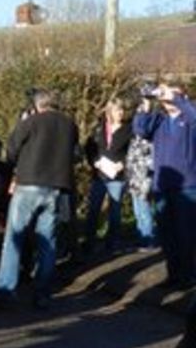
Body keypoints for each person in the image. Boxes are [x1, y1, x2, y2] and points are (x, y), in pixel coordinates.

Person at [0, 89, 79, 310]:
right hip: (56, 186)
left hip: (29, 184)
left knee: (14, 238)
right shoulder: (70, 125)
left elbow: (11, 150)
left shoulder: (32, 122)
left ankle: (6, 290)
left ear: (38, 105)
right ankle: (43, 293)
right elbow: (76, 154)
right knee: (48, 242)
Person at [133, 83, 196, 288]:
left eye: (173, 93)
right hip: (162, 186)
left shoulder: (188, 119)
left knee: (186, 234)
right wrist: (146, 105)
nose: (166, 97)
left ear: (183, 96)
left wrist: (176, 98)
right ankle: (174, 275)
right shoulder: (159, 121)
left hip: (186, 187)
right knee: (167, 235)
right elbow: (140, 130)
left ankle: (188, 276)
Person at [83, 98, 131, 256]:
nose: (121, 113)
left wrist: (123, 163)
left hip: (116, 176)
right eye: (118, 110)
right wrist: (94, 162)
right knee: (93, 209)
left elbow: (132, 152)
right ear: (110, 111)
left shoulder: (128, 130)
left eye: (122, 110)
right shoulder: (99, 129)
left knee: (115, 211)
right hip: (99, 175)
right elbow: (89, 148)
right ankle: (89, 241)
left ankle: (112, 243)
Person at [125, 134, 156, 249]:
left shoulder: (150, 141)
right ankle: (141, 238)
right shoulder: (134, 141)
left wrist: (147, 180)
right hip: (134, 182)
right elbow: (129, 160)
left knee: (145, 212)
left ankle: (148, 240)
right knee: (138, 212)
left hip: (145, 182)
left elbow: (152, 162)